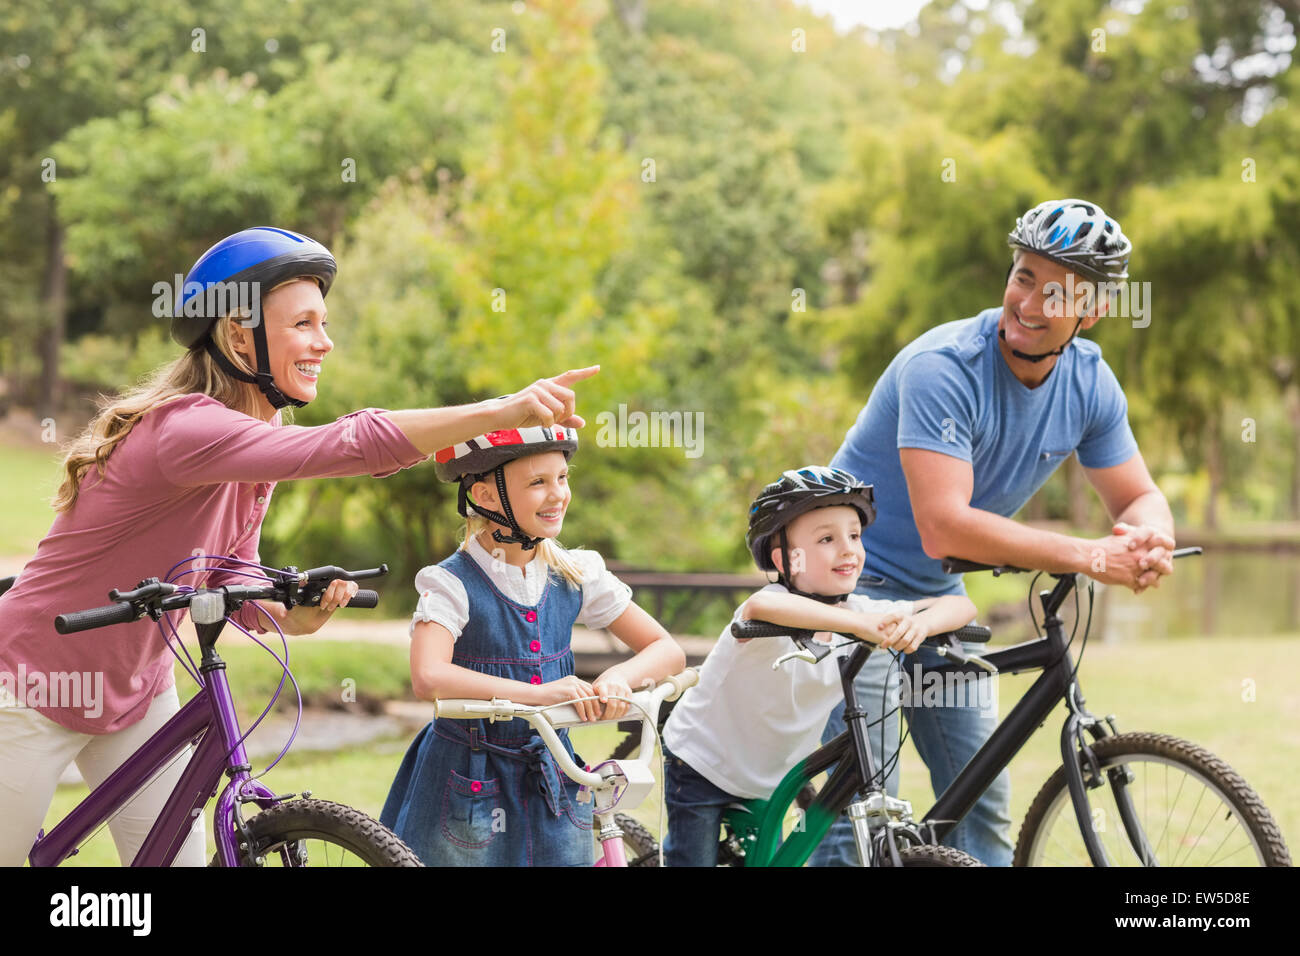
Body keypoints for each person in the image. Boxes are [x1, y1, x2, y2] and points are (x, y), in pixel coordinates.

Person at [0, 225, 598, 867]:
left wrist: (293, 615)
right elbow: (347, 444)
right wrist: (502, 411)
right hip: (36, 681)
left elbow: (231, 577)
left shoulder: (254, 441)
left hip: (137, 692)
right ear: (238, 335)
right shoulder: (187, 429)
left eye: (324, 322)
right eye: (304, 324)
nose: (325, 342)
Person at [812, 198, 1176, 867]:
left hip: (936, 603)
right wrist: (1094, 555)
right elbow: (943, 527)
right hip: (845, 592)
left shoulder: (1090, 383)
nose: (1030, 303)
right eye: (1024, 276)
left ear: (1091, 312)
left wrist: (1150, 536)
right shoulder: (944, 367)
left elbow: (1139, 496)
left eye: (1057, 291)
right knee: (862, 823)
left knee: (979, 806)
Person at [379, 425, 685, 866]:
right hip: (466, 777)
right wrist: (543, 696)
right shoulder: (451, 582)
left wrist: (619, 677)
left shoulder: (576, 573)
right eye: (538, 482)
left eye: (562, 477)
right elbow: (429, 677)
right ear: (485, 496)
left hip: (553, 774)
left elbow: (665, 650)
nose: (558, 493)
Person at [659, 466, 976, 866]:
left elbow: (962, 606)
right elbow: (762, 605)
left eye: (855, 536)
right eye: (827, 538)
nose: (847, 549)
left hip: (770, 777)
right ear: (783, 559)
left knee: (773, 861)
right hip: (703, 763)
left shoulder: (863, 610)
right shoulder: (771, 610)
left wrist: (921, 623)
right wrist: (860, 625)